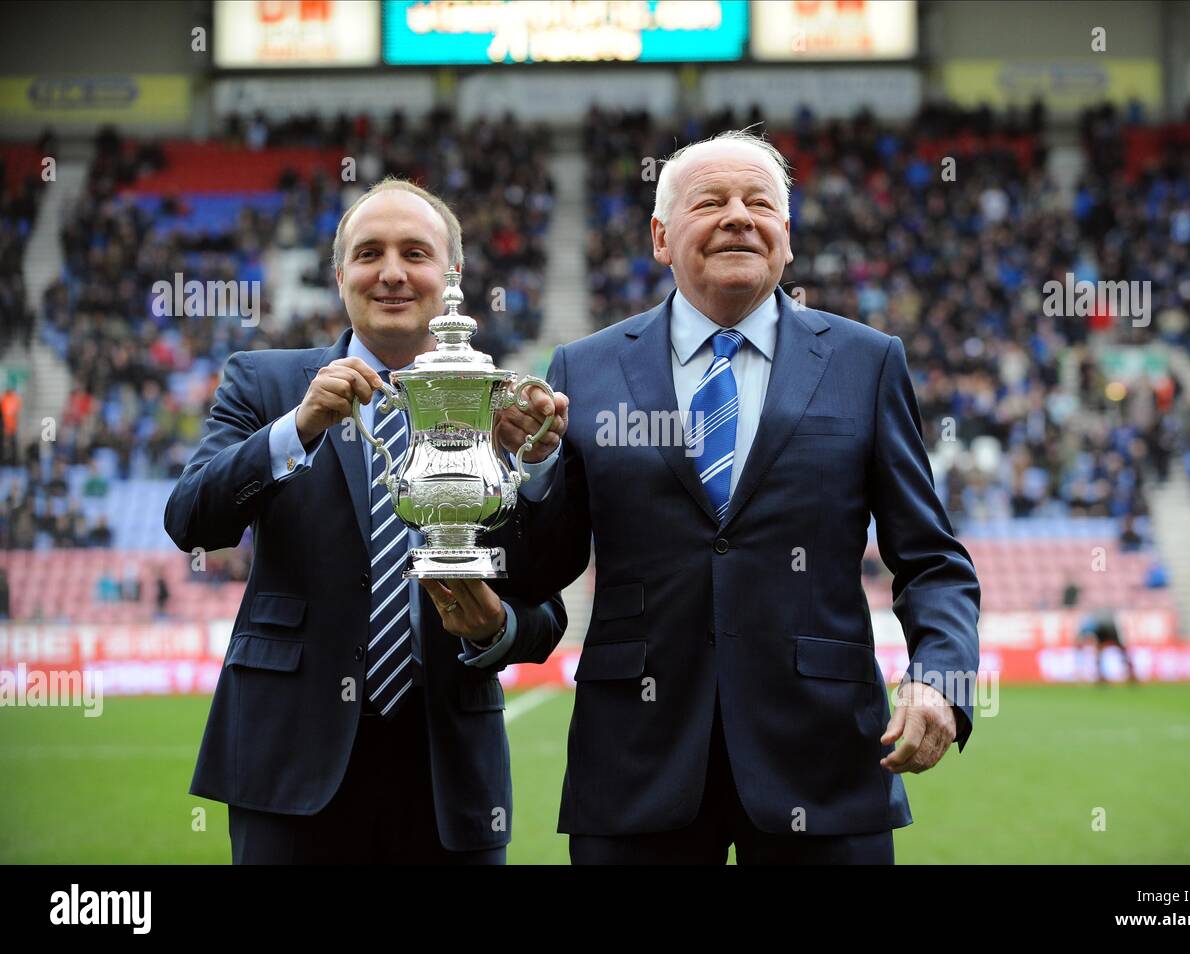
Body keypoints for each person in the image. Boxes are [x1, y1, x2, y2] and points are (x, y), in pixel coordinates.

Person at [499, 131, 981, 864]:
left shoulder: (867, 363)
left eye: (760, 203)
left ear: (786, 237)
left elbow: (934, 561)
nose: (738, 216)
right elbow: (539, 569)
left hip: (825, 764)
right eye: (711, 201)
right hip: (636, 764)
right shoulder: (584, 369)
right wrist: (535, 467)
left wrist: (939, 680)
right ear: (661, 237)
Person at [164, 177, 566, 864]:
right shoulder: (264, 384)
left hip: (448, 777)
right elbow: (192, 518)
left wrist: (494, 628)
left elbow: (544, 613)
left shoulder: (503, 405)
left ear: (452, 277)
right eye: (369, 253)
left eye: (415, 253)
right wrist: (299, 428)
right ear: (340, 275)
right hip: (289, 765)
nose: (391, 273)